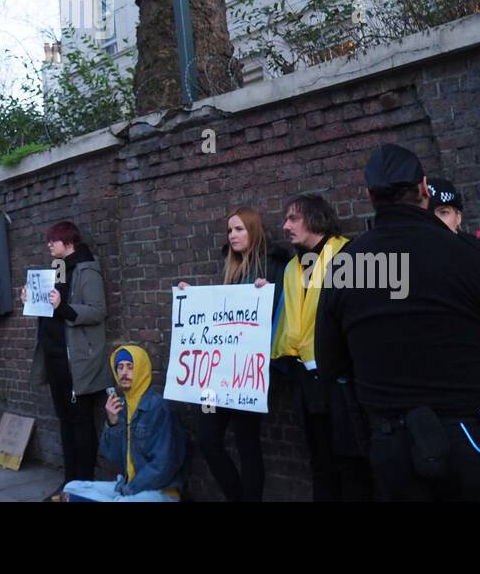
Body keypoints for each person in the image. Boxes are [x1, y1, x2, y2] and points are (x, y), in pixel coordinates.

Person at [316, 143, 480, 502]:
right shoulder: (478, 259)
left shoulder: (346, 267)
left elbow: (331, 361)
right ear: (425, 189)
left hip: (395, 448)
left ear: (370, 196)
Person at [177, 207, 282, 502]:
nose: (233, 235)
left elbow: (277, 315)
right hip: (216, 381)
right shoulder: (231, 268)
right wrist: (192, 296)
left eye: (239, 229)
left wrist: (267, 292)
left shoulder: (272, 265)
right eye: (229, 230)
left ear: (253, 230)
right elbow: (220, 313)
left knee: (248, 444)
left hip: (247, 375)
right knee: (208, 438)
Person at [273, 194, 373, 501]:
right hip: (307, 383)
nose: (285, 225)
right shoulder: (291, 268)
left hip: (344, 383)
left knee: (353, 466)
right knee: (320, 464)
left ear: (315, 218)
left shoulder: (348, 256)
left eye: (293, 218)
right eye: (285, 219)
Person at [22, 220, 109, 501]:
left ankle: (84, 483)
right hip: (55, 357)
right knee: (65, 420)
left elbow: (97, 311)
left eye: (53, 240)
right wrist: (30, 298)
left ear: (68, 241)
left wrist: (64, 307)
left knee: (81, 421)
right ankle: (70, 482)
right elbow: (49, 307)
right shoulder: (56, 270)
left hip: (77, 360)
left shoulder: (86, 270)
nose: (49, 244)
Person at [63, 345, 185, 502]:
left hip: (160, 491)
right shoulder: (123, 406)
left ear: (141, 370)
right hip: (128, 485)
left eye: (130, 367)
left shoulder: (158, 408)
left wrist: (129, 490)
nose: (124, 373)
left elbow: (164, 466)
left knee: (119, 501)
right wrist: (112, 423)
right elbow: (113, 457)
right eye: (120, 367)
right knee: (72, 487)